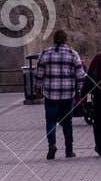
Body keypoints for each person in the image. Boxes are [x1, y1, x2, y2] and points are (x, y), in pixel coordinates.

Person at [34, 28, 86, 160]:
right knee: (67, 122)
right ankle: (69, 150)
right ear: (65, 40)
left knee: (50, 120)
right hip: (68, 94)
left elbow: (39, 74)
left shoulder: (45, 54)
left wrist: (37, 89)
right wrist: (81, 91)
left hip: (51, 94)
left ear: (54, 39)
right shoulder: (72, 54)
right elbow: (80, 75)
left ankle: (52, 144)